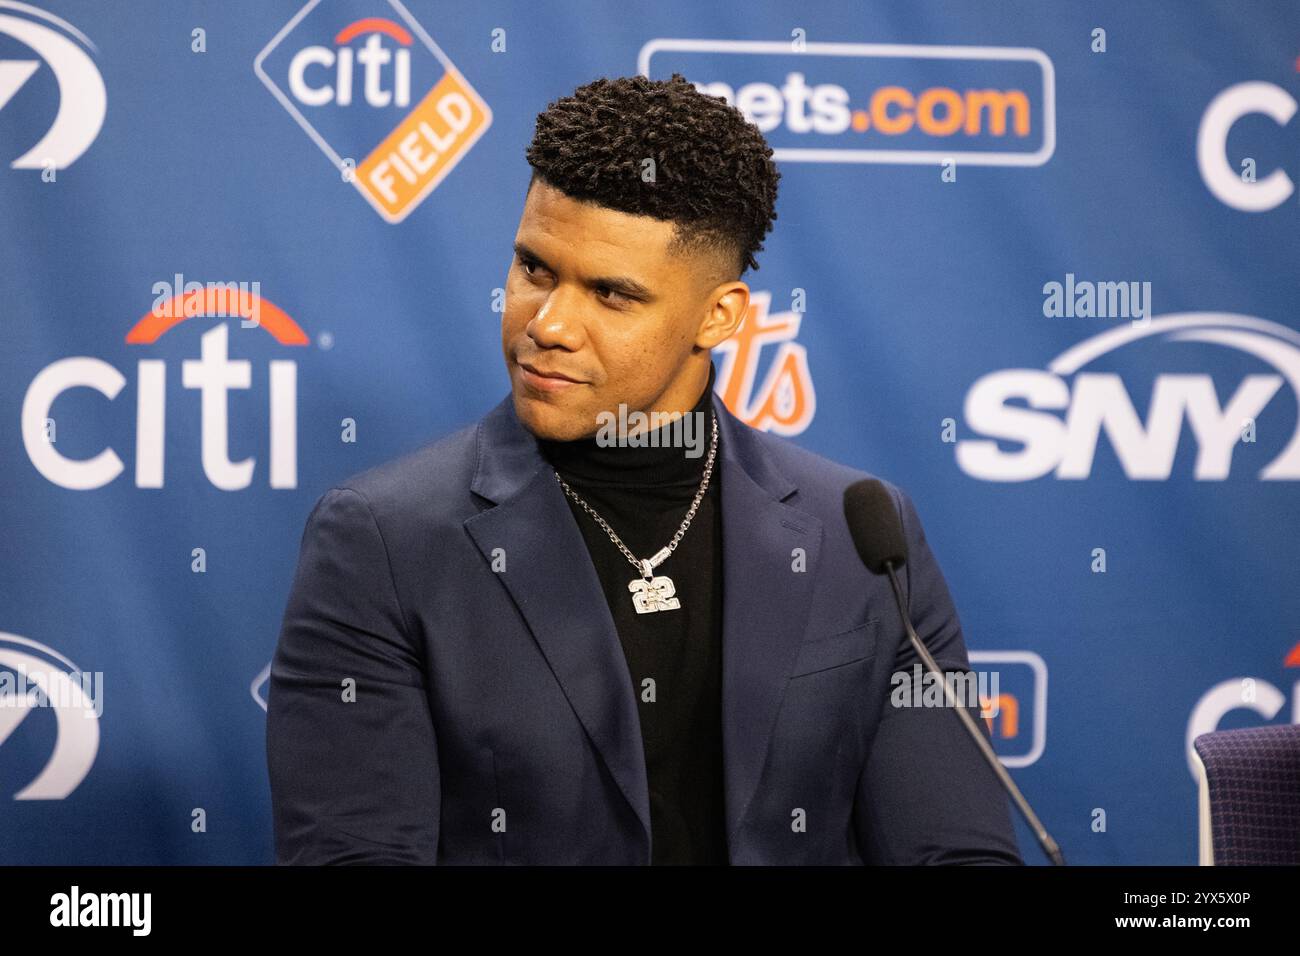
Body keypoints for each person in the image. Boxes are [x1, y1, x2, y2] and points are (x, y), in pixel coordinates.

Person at [266, 73, 1022, 865]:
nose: (548, 324)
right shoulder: (384, 540)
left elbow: (955, 851)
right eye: (533, 269)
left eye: (611, 295)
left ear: (719, 316)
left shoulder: (862, 536)